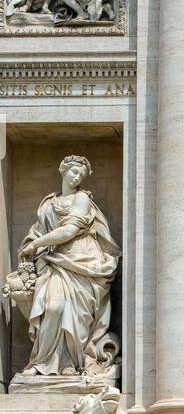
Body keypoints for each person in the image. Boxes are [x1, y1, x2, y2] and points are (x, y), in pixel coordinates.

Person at [7, 155, 120, 377]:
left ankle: (71, 363)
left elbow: (68, 231)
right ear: (63, 169)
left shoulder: (82, 199)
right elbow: (38, 231)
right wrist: (32, 244)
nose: (77, 177)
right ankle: (43, 362)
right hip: (54, 261)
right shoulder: (49, 203)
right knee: (53, 307)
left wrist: (38, 244)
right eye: (74, 171)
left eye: (81, 175)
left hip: (82, 262)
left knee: (76, 315)